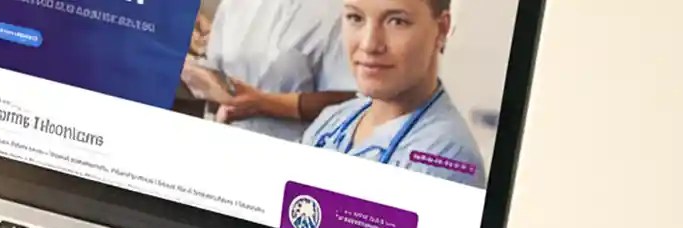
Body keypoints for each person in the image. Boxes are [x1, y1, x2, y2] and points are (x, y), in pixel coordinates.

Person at [303, 0, 486, 188]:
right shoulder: (332, 120)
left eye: (397, 21)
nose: (369, 44)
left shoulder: (447, 160)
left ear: (441, 30)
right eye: (355, 18)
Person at [197, 0, 359, 141]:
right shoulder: (232, 5)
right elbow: (215, 69)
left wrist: (264, 104)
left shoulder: (336, 12)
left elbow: (347, 99)